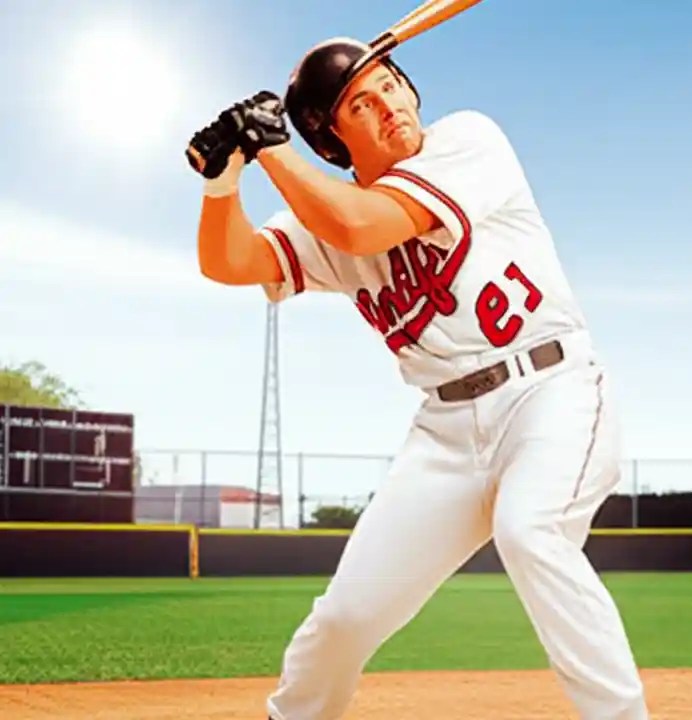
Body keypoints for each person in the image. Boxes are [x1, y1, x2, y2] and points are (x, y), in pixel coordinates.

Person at [185, 38, 648, 720]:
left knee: (532, 532)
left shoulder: (466, 140)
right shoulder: (322, 215)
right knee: (348, 613)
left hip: (551, 392)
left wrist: (269, 147)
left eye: (388, 84)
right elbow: (229, 261)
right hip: (445, 432)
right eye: (360, 105)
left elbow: (361, 226)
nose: (389, 105)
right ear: (333, 141)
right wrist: (224, 178)